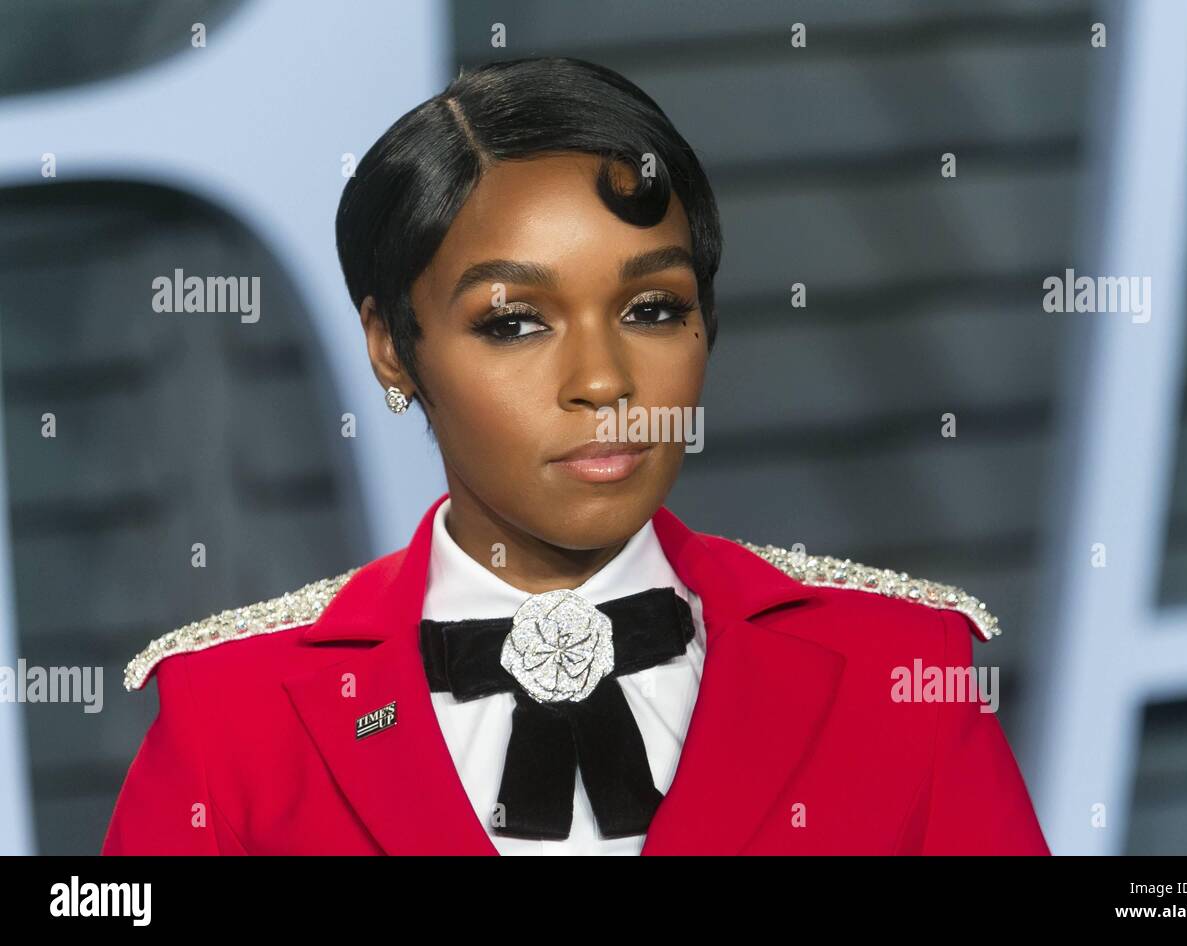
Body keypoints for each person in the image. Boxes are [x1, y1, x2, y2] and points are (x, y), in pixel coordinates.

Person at [102, 56, 1049, 856]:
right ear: (391, 345)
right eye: (514, 322)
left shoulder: (900, 672)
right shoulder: (233, 717)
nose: (602, 381)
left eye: (653, 310)